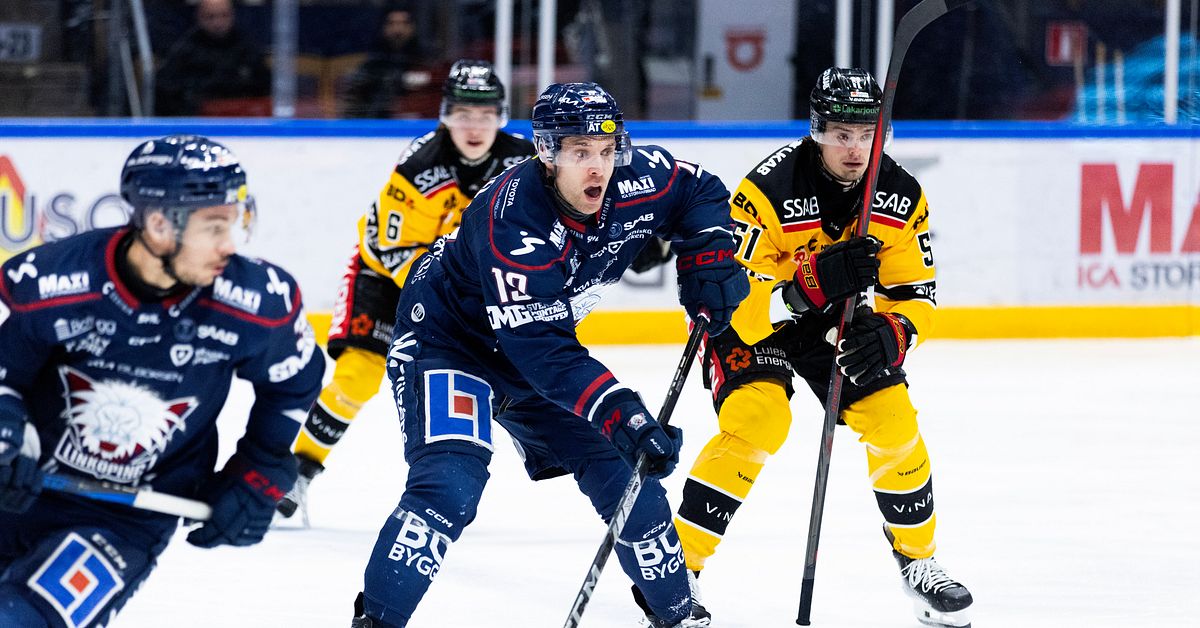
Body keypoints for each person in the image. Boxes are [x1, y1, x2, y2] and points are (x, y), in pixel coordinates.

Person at [347, 82, 750, 628]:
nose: (598, 169)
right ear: (546, 151)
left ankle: (679, 615)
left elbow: (699, 189)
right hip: (448, 344)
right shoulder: (511, 221)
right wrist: (623, 414)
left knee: (624, 474)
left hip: (534, 351)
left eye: (607, 151)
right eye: (580, 152)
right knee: (449, 485)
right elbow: (546, 354)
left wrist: (708, 254)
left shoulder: (636, 178)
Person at [670, 67, 974, 628]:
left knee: (894, 420)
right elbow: (731, 297)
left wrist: (895, 331)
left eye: (866, 134)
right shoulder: (768, 190)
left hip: (835, 321)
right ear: (816, 130)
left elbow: (916, 291)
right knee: (759, 419)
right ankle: (676, 573)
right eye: (841, 133)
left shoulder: (901, 194)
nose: (855, 149)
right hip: (756, 324)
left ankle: (920, 565)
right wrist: (803, 289)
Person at [0, 135, 323, 627]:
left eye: (234, 225)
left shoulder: (256, 303)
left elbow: (296, 380)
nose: (229, 245)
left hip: (122, 519)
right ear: (157, 225)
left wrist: (259, 468)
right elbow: (7, 376)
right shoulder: (54, 282)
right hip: (17, 487)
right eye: (214, 228)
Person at [276, 60, 535, 523]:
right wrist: (460, 301)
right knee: (358, 376)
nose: (473, 127)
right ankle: (298, 467)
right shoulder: (420, 166)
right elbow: (394, 251)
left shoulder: (524, 163)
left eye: (485, 115)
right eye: (462, 114)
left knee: (514, 366)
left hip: (459, 284)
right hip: (384, 277)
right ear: (443, 115)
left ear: (502, 116)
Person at [155, 0, 271, 116]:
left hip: (241, 120)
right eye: (210, 17)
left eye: (224, 16)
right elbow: (166, 89)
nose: (218, 23)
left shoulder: (247, 48)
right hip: (198, 121)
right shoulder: (185, 51)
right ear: (199, 17)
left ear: (233, 15)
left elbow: (265, 86)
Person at [343, 3, 431, 118]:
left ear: (413, 27)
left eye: (404, 23)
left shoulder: (428, 61)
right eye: (392, 24)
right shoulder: (370, 65)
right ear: (383, 27)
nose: (398, 30)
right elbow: (353, 107)